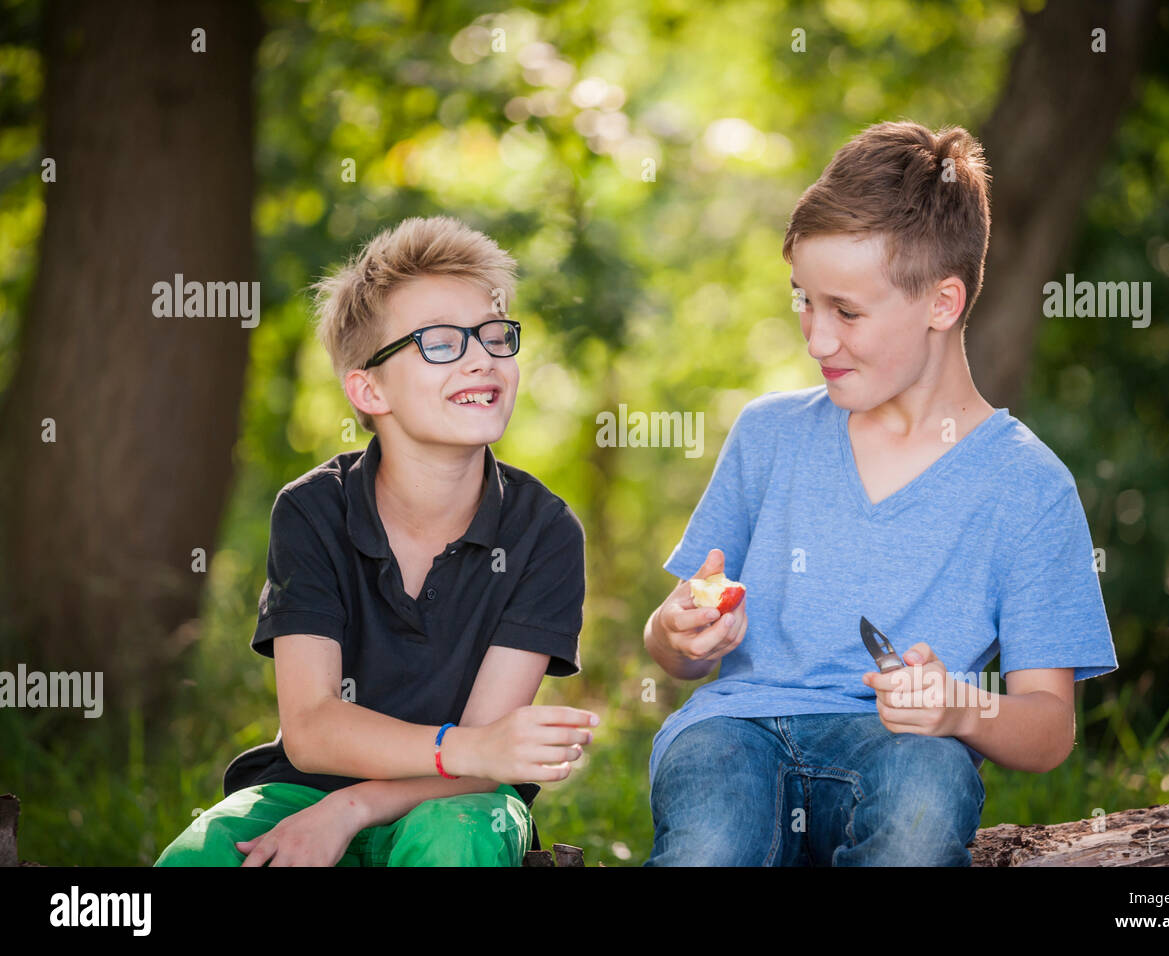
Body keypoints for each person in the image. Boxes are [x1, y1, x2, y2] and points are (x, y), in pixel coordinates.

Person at [642, 121, 1117, 866]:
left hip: (901, 745)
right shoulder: (769, 436)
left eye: (846, 311)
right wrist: (675, 637)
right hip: (735, 729)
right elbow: (678, 647)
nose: (816, 340)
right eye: (803, 300)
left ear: (942, 303)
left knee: (921, 810)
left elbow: (1051, 730)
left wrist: (959, 704)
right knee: (710, 843)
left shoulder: (1029, 488)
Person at [157, 216, 598, 866]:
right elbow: (310, 728)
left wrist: (353, 808)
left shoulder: (545, 531)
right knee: (205, 856)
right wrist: (331, 802)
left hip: (460, 800)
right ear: (368, 389)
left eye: (495, 336)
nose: (483, 357)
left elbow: (487, 759)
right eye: (442, 342)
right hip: (300, 790)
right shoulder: (312, 512)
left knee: (453, 841)